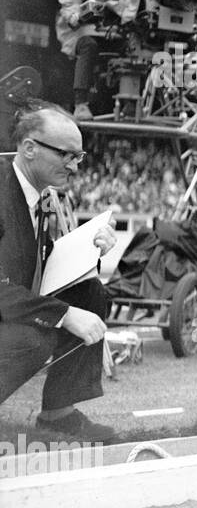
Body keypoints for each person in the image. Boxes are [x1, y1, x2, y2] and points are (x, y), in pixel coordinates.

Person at [0, 104, 118, 439]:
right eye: (66, 154)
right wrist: (64, 315)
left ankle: (58, 414)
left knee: (90, 293)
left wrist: (88, 249)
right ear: (29, 148)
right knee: (33, 340)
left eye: (78, 156)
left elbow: (26, 264)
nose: (74, 166)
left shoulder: (33, 193)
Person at [56, 0, 132, 122]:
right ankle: (81, 104)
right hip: (82, 33)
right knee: (88, 45)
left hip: (112, 34)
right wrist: (79, 14)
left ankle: (131, 103)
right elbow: (69, 8)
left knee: (136, 48)